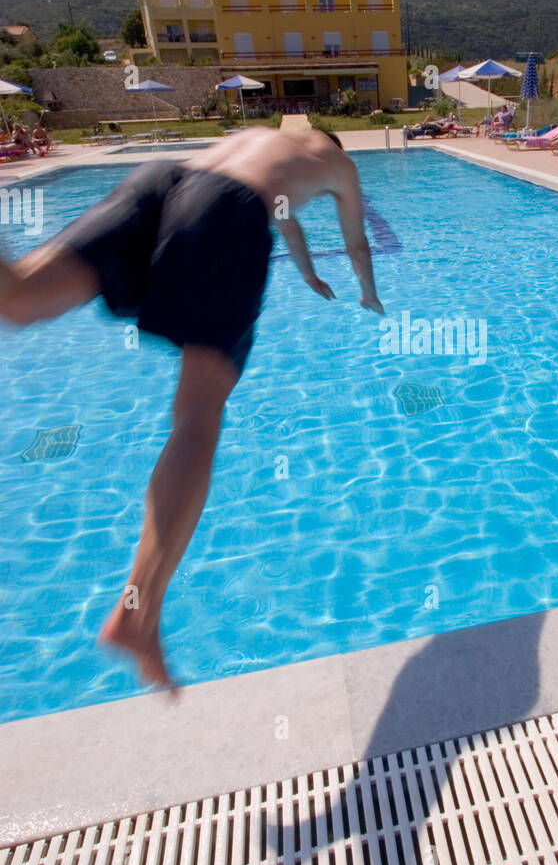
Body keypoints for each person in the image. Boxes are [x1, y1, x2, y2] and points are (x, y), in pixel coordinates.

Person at [0, 127, 384, 689]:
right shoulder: (338, 165)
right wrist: (367, 292)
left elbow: (285, 218)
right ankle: (137, 611)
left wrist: (306, 273)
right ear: (333, 145)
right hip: (226, 211)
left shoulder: (259, 138)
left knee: (21, 298)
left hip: (159, 182)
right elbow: (356, 242)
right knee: (198, 417)